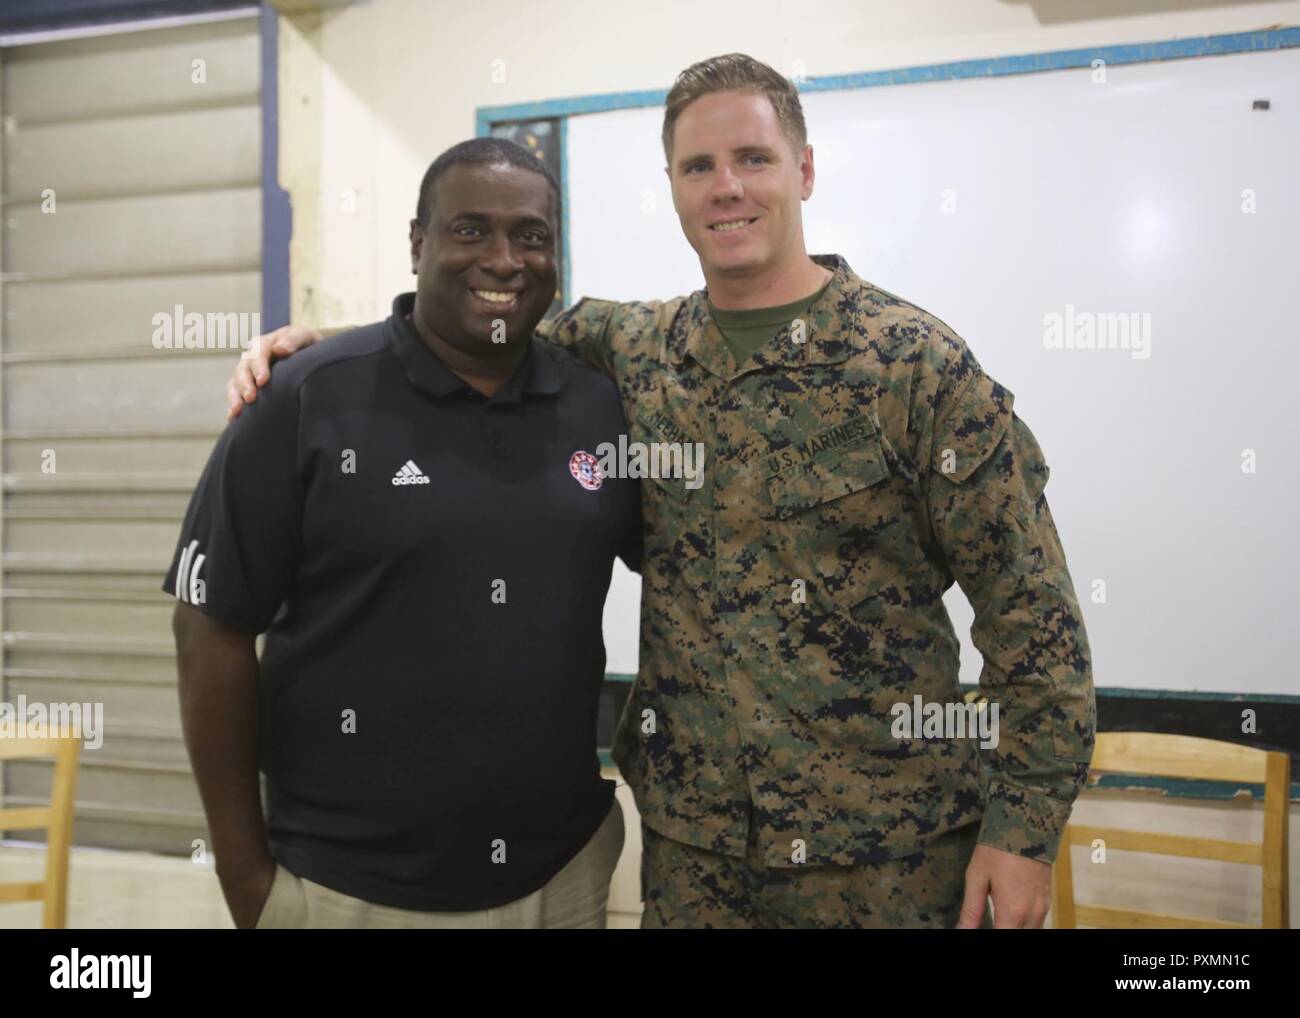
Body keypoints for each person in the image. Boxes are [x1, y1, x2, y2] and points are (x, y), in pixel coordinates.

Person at [230, 54, 1095, 929]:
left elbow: (1039, 630)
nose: (727, 188)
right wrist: (324, 348)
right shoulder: (631, 350)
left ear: (803, 170)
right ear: (674, 189)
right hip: (694, 861)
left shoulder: (917, 368)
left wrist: (1021, 834)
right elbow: (470, 323)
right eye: (698, 167)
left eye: (753, 159)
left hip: (888, 861)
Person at [168, 138, 641, 929]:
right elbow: (208, 631)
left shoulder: (602, 408)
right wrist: (247, 881)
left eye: (530, 235)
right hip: (349, 891)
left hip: (564, 878)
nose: (504, 259)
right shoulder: (305, 400)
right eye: (469, 231)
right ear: (418, 243)